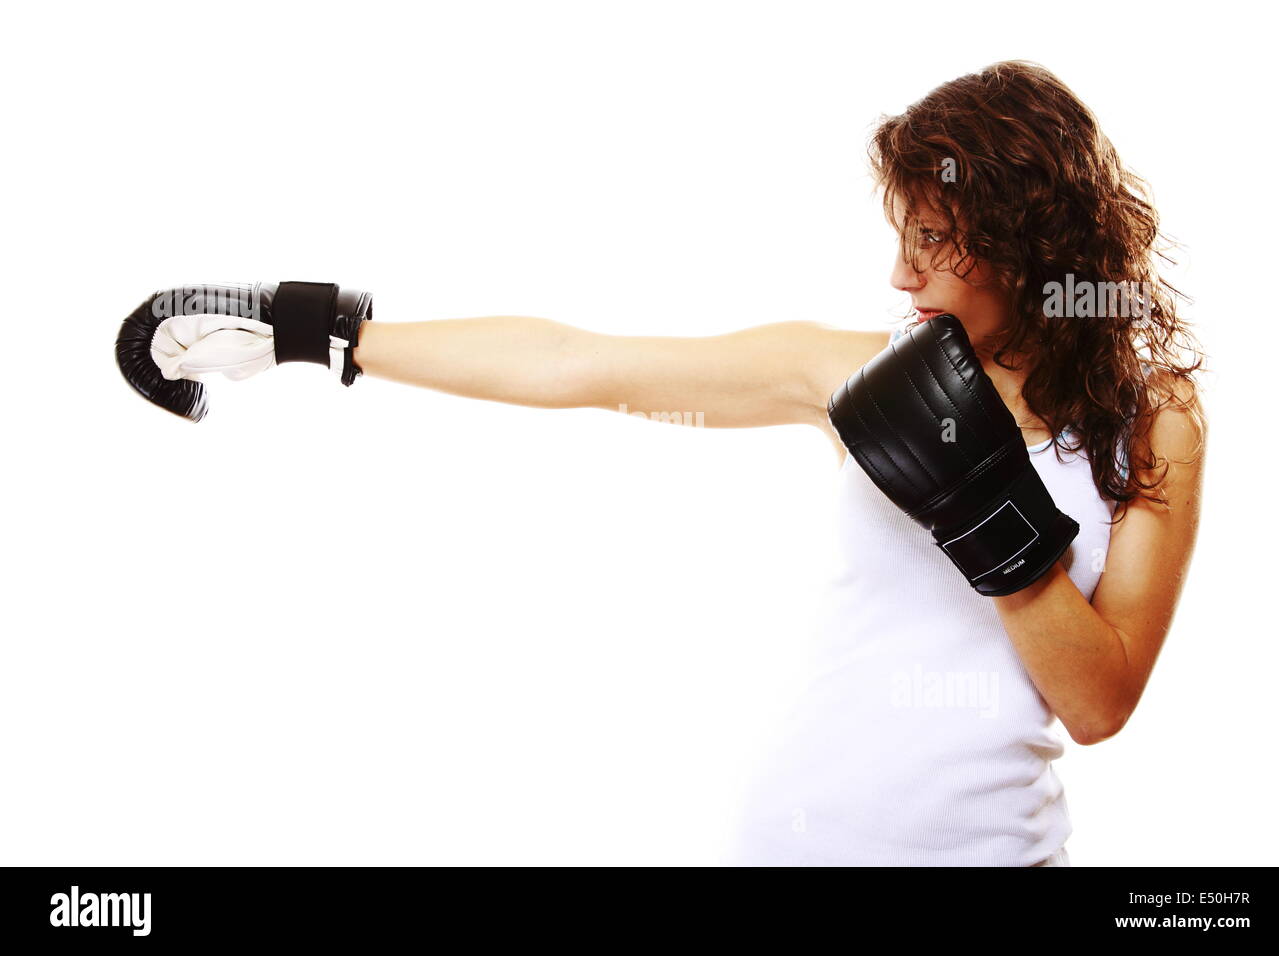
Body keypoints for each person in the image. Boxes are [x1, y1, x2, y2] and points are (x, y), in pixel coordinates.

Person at [117, 60, 1206, 866]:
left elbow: (1100, 701)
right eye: (900, 233)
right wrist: (323, 332)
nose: (897, 269)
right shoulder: (854, 374)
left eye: (931, 239)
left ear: (1024, 236)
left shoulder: (1150, 421)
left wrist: (982, 509)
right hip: (785, 844)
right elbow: (581, 362)